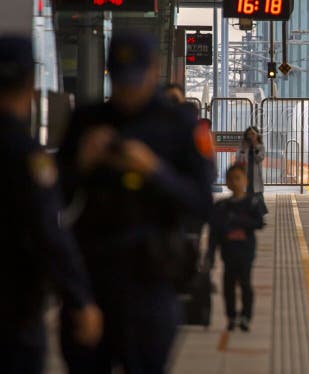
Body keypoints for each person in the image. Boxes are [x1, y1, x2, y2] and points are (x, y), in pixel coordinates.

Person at [57, 31, 215, 373]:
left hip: (152, 280)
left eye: (136, 80)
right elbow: (55, 198)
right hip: (92, 278)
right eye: (120, 81)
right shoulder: (87, 121)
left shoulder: (180, 125)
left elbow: (202, 203)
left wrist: (155, 170)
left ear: (154, 69)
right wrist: (80, 164)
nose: (127, 91)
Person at [0, 36, 102, 373]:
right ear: (30, 85)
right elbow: (47, 230)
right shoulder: (25, 154)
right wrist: (80, 299)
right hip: (12, 308)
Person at [206, 164, 264, 332]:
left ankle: (246, 316)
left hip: (246, 250)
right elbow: (214, 232)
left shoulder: (252, 203)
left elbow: (259, 223)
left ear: (245, 180)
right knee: (228, 284)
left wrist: (238, 221)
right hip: (228, 251)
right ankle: (231, 317)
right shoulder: (222, 206)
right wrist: (210, 253)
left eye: (238, 178)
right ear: (227, 182)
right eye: (230, 179)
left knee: (245, 282)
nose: (234, 182)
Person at [235, 126, 268, 217]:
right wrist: (243, 149)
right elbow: (238, 159)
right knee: (245, 194)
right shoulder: (243, 145)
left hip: (255, 175)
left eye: (253, 134)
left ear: (257, 135)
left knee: (257, 194)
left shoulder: (260, 147)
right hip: (245, 174)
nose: (251, 136)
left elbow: (259, 158)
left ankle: (260, 214)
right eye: (249, 134)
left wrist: (254, 148)